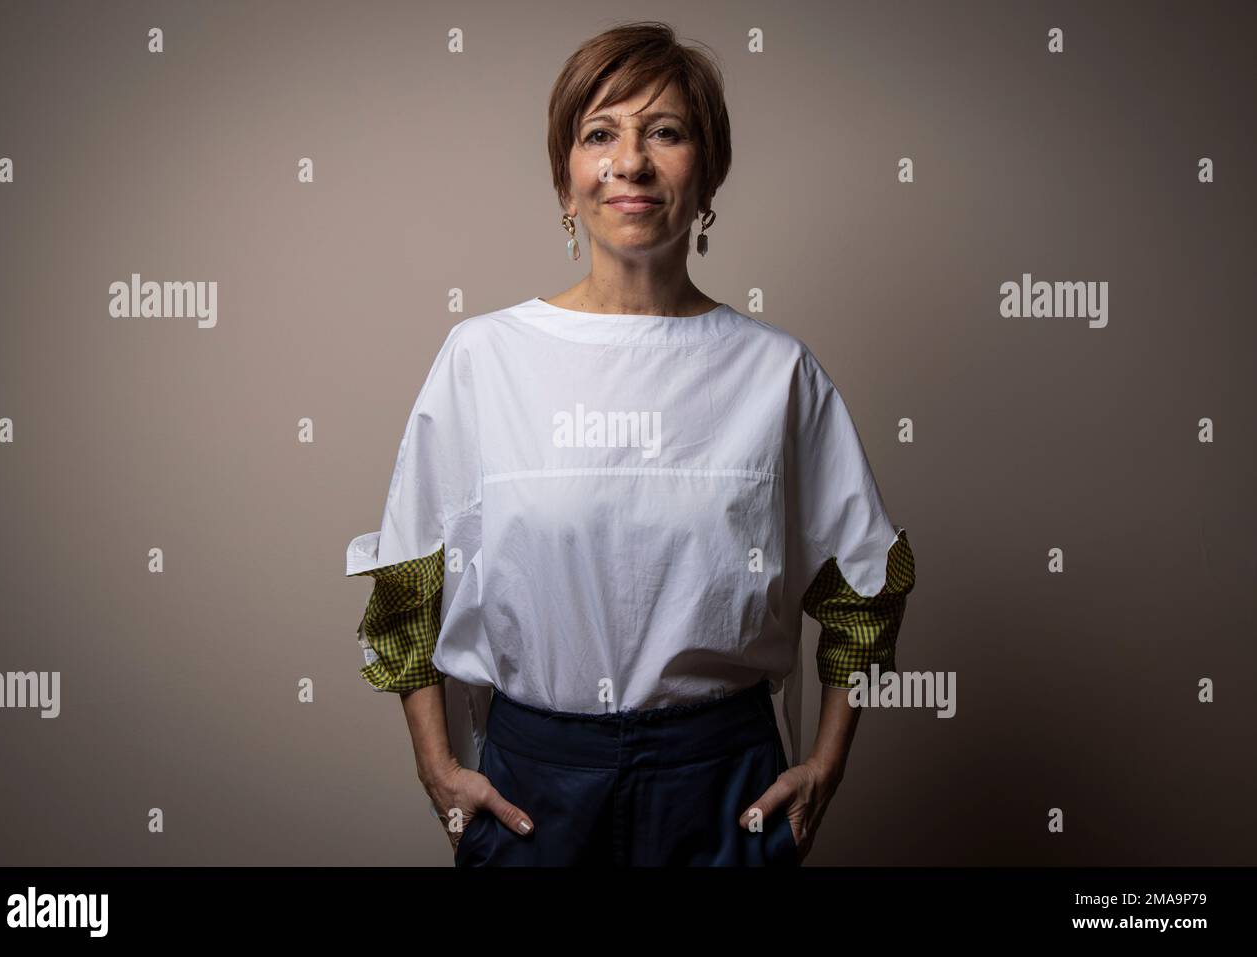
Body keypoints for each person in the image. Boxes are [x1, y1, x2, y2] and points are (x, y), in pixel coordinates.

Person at [344, 20, 916, 866]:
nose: (632, 161)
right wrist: (437, 766)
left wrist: (826, 764)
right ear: (565, 179)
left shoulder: (776, 372)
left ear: (707, 172)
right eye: (600, 132)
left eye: (667, 132)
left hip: (723, 783)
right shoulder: (483, 359)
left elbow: (864, 588)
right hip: (535, 783)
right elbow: (406, 583)